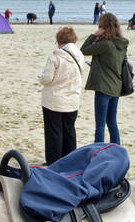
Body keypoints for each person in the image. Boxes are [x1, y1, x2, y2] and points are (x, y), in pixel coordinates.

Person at [81, 12, 128, 145]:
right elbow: (111, 64)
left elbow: (84, 49)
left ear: (104, 27)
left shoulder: (106, 44)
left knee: (100, 125)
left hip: (103, 87)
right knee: (112, 122)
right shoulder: (121, 45)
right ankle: (117, 150)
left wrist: (94, 35)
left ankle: (98, 152)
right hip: (116, 87)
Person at [38, 26, 83, 164]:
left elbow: (47, 79)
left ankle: (53, 161)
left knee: (54, 133)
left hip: (54, 100)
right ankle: (69, 160)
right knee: (69, 131)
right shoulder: (79, 55)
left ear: (59, 41)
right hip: (72, 100)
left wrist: (40, 78)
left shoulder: (55, 57)